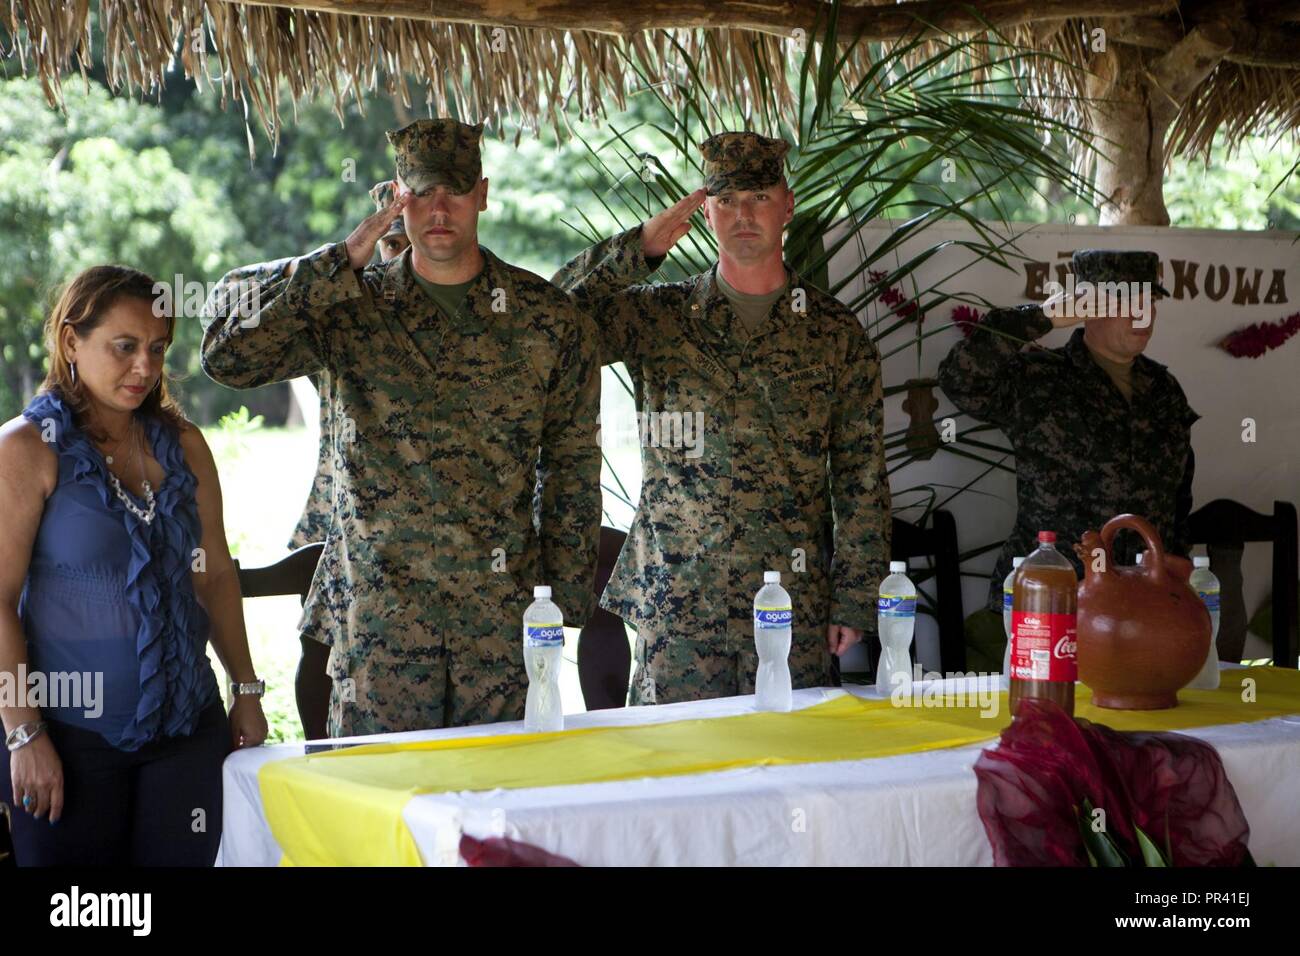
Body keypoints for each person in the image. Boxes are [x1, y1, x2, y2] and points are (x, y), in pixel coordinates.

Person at [202, 119, 601, 736]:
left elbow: (572, 465)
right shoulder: (347, 304)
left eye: (456, 190)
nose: (439, 209)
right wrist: (336, 263)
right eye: (421, 192)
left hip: (496, 622)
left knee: (495, 809)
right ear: (396, 197)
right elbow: (228, 357)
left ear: (483, 195)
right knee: (378, 807)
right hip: (379, 629)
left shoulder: (544, 318)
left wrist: (558, 604)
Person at [554, 131, 891, 705]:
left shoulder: (833, 332)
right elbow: (551, 320)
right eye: (727, 199)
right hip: (679, 608)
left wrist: (856, 599)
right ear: (705, 209)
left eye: (759, 197)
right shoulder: (658, 316)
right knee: (675, 777)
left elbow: (862, 477)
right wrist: (639, 248)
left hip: (789, 607)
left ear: (787, 204)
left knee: (789, 770)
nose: (744, 215)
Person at [0, 266, 267, 866]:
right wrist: (25, 734)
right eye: (124, 347)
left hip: (187, 734)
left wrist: (245, 687)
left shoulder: (184, 444)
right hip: (67, 740)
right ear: (71, 341)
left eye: (156, 348)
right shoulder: (25, 450)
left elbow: (215, 575)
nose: (144, 367)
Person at [937, 249, 1198, 613]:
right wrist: (1041, 318)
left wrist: (1176, 568)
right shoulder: (1042, 378)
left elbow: (1178, 500)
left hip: (1142, 605)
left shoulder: (1164, 390)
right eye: (1125, 300)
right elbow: (960, 379)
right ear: (1086, 307)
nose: (1143, 313)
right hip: (1053, 598)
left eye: (1149, 299)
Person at [288, 180, 412, 550]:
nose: (403, 258)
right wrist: (337, 259)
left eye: (415, 243)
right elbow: (225, 310)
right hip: (342, 534)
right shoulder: (343, 313)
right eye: (392, 244)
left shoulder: (481, 318)